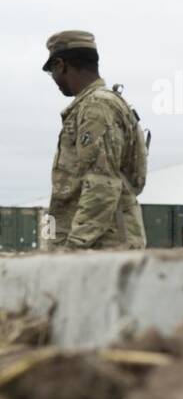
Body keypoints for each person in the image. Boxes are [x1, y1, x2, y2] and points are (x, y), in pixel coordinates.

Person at [43, 30, 148, 250]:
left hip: (101, 248)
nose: (53, 79)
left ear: (61, 65)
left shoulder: (96, 108)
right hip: (96, 244)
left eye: (51, 70)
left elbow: (102, 184)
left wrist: (73, 248)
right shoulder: (94, 105)